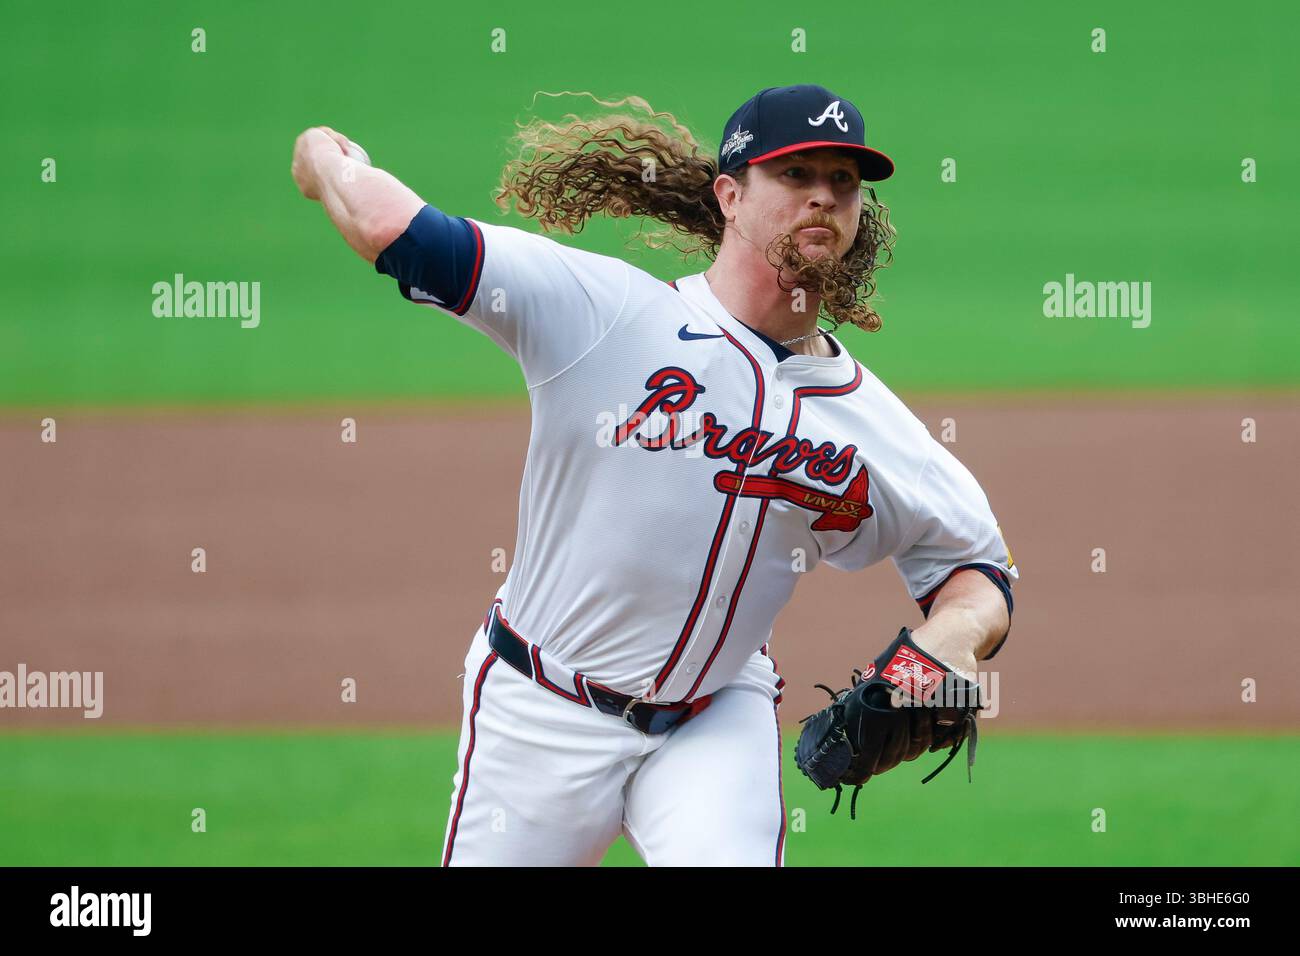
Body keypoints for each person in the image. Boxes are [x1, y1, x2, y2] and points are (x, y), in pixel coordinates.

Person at [291, 84, 1017, 867]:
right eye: (796, 173)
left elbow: (976, 567)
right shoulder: (605, 316)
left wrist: (945, 642)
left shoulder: (871, 424)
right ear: (730, 196)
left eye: (843, 181)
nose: (823, 195)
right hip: (540, 709)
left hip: (715, 721)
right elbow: (392, 229)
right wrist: (325, 160)